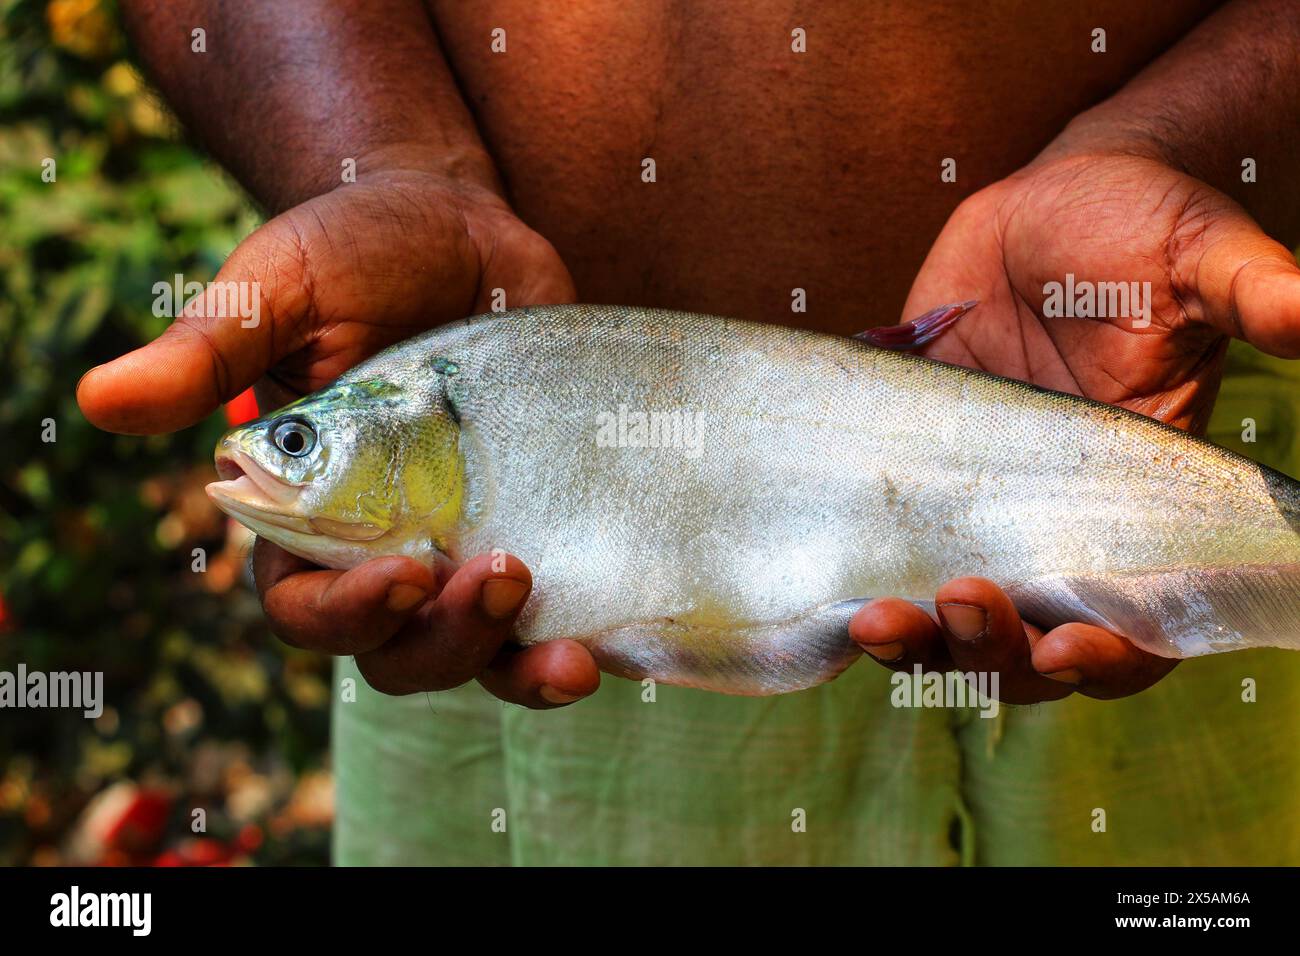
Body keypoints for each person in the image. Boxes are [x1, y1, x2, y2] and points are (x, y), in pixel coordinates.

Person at [78, 0, 1300, 864]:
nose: (271, 462)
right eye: (300, 445)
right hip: (517, 699)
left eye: (299, 445)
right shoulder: (431, 418)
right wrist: (374, 160)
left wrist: (1179, 142)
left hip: (1160, 382)